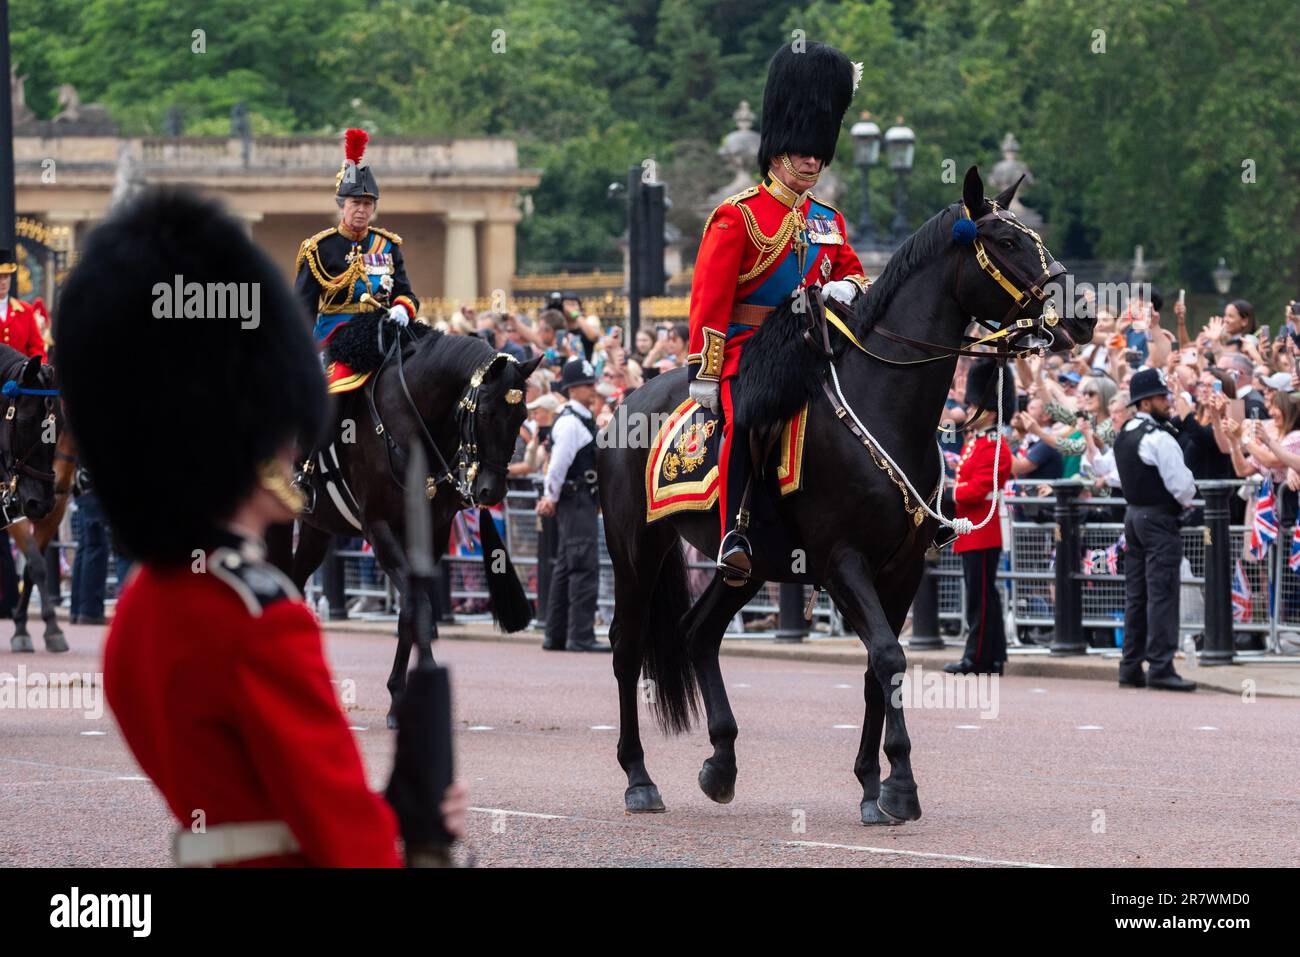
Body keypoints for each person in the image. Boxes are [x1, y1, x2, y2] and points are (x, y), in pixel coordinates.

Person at [55, 188, 466, 866]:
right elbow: (352, 853)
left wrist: (388, 810)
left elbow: (261, 805)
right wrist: (418, 844)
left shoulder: (142, 608)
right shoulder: (259, 619)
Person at [687, 41, 870, 582]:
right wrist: (705, 369)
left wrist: (846, 291)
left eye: (819, 153)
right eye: (803, 151)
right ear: (776, 150)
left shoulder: (827, 220)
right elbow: (710, 300)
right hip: (750, 349)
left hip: (812, 346)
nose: (813, 160)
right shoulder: (737, 216)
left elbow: (856, 272)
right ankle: (732, 532)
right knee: (747, 417)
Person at [1112, 368, 1197, 691]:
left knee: (1137, 595)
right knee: (1162, 593)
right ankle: (1161, 665)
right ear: (1146, 403)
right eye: (1162, 396)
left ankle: (1130, 665)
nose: (1167, 401)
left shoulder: (1124, 434)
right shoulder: (1157, 437)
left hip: (1132, 517)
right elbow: (1183, 486)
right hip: (1159, 520)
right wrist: (1186, 503)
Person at [293, 128, 419, 345]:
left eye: (367, 204)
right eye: (355, 203)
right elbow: (303, 306)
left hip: (381, 331)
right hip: (335, 334)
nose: (361, 209)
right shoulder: (319, 248)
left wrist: (402, 307)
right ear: (342, 206)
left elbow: (406, 292)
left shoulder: (388, 245)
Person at [945, 359, 1014, 676]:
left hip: (983, 529)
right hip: (973, 530)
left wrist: (949, 493)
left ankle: (977, 658)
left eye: (973, 405)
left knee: (980, 598)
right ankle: (994, 656)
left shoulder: (996, 445)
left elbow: (978, 489)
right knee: (985, 596)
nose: (968, 409)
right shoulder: (979, 443)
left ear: (990, 411)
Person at [535, 358, 607, 652]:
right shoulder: (569, 422)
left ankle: (556, 634)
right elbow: (557, 466)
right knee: (583, 565)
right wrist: (550, 497)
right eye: (588, 384)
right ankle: (580, 634)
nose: (593, 389)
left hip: (578, 499)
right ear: (573, 389)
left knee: (566, 566)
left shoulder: (579, 419)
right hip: (575, 499)